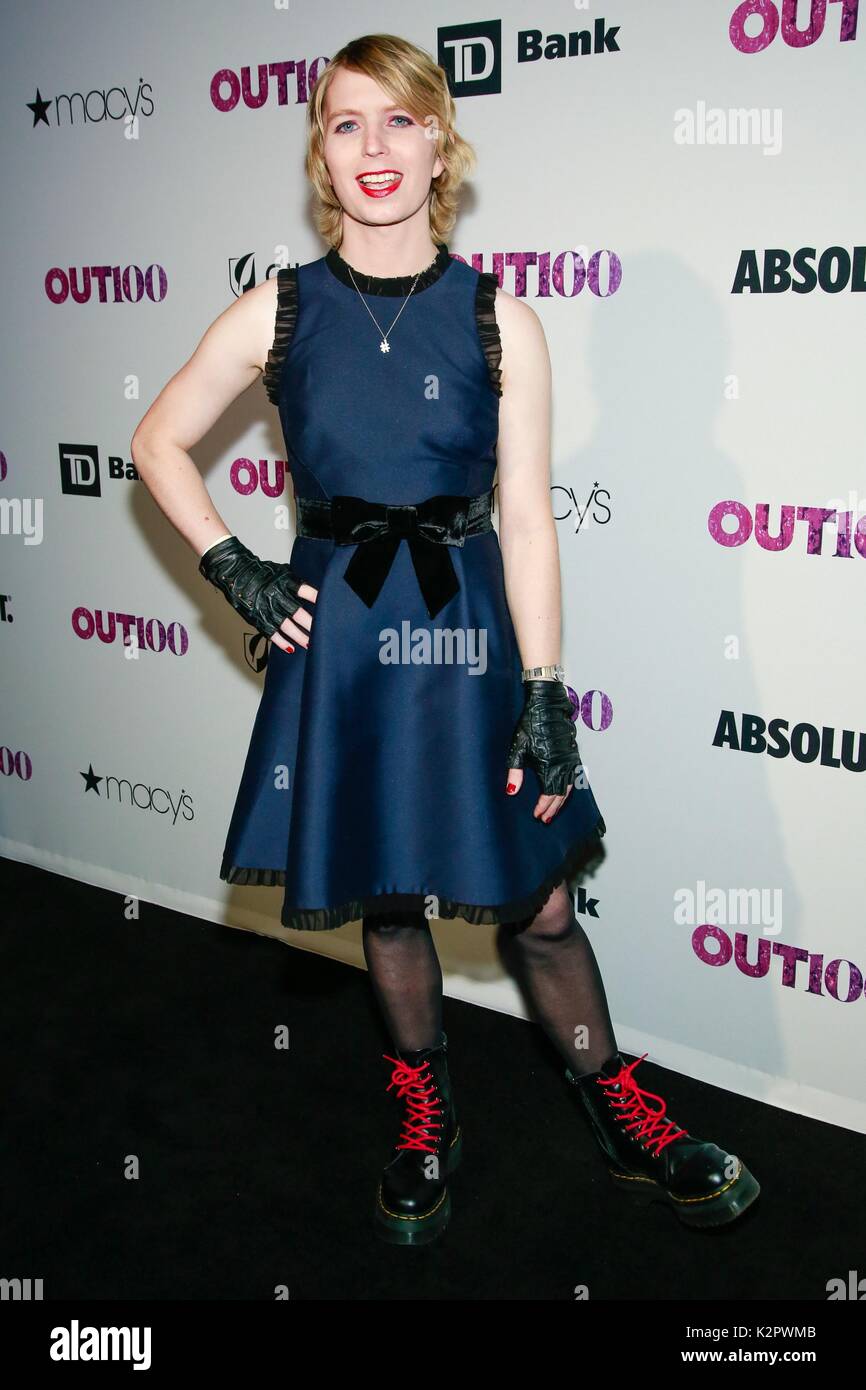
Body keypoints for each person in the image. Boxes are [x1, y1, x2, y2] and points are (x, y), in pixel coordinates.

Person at [131, 33, 759, 1248]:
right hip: (347, 641)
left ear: (439, 145)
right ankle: (425, 1113)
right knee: (387, 898)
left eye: (399, 121)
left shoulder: (497, 319)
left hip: (467, 633)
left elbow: (524, 517)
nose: (374, 146)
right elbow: (159, 440)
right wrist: (231, 564)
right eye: (346, 122)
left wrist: (542, 686)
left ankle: (618, 1104)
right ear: (319, 148)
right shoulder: (277, 309)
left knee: (535, 906)